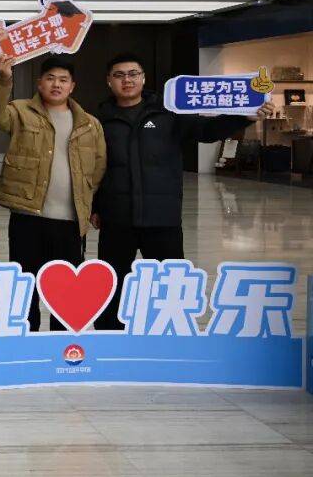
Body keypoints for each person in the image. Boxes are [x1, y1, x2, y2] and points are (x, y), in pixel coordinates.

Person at [93, 53, 275, 330]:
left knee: (170, 282)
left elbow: (207, 130)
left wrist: (245, 117)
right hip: (117, 217)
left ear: (143, 78)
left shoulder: (169, 113)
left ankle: (168, 334)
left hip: (162, 217)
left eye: (133, 74)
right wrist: (95, 206)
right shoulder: (98, 120)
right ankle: (109, 337)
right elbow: (92, 168)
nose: (127, 80)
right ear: (109, 81)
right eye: (119, 75)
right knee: (112, 281)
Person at [0, 54, 106, 332]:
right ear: (40, 83)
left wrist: (85, 200)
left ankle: (62, 343)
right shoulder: (21, 111)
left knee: (66, 289)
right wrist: (3, 79)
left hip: (70, 222)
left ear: (72, 86)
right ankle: (28, 339)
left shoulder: (90, 124)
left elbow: (98, 167)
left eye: (63, 80)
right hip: (28, 218)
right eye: (50, 79)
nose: (56, 84)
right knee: (26, 285)